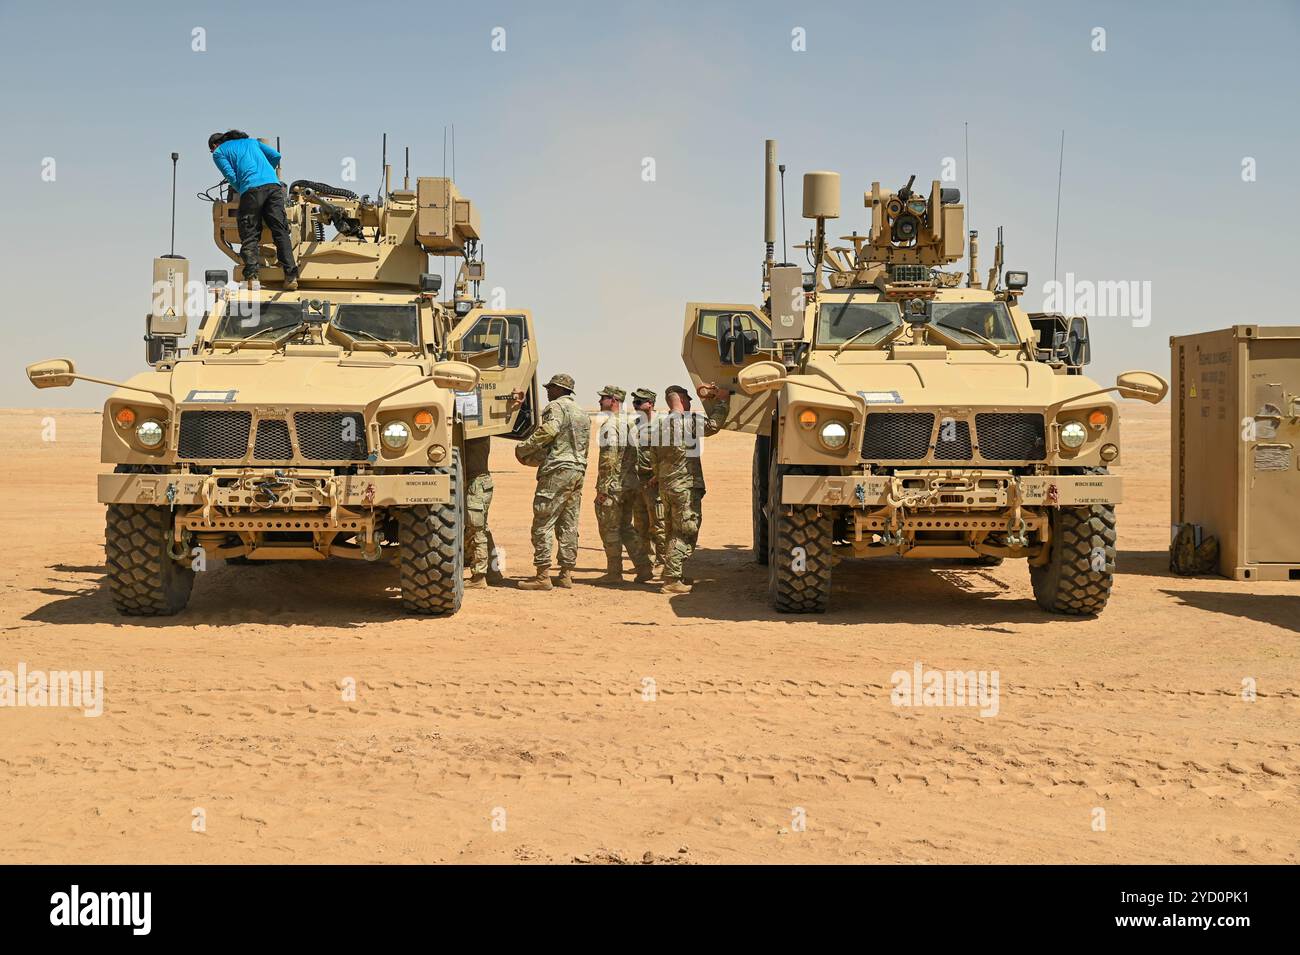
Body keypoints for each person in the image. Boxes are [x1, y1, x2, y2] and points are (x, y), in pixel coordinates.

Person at [652, 382, 730, 594]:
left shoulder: (658, 425)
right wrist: (722, 400)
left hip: (666, 486)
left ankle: (674, 573)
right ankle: (671, 580)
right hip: (685, 485)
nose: (690, 402)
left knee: (671, 530)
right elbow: (713, 425)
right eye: (688, 399)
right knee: (686, 530)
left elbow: (653, 457)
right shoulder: (687, 421)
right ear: (682, 399)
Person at [514, 373, 589, 591]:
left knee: (543, 521)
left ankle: (543, 575)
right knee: (569, 522)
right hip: (577, 469)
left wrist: (524, 448)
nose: (547, 391)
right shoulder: (582, 412)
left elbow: (549, 430)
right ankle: (566, 574)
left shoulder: (556, 407)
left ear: (559, 389)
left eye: (550, 388)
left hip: (557, 470)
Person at [208, 130, 299, 290]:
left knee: (249, 233)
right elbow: (276, 156)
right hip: (273, 187)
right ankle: (291, 277)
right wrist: (266, 172)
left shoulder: (219, 152)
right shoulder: (252, 142)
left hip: (250, 189)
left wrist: (241, 188)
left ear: (215, 145)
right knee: (280, 231)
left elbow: (230, 175)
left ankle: (252, 278)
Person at [593, 386, 654, 585]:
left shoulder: (611, 425)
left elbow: (608, 460)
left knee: (609, 528)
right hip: (631, 484)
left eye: (603, 398)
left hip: (614, 487)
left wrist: (603, 489)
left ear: (613, 400)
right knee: (627, 528)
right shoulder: (630, 423)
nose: (600, 402)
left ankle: (614, 572)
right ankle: (644, 567)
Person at [629, 387, 666, 570]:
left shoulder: (663, 424)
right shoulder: (635, 425)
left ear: (650, 404)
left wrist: (658, 476)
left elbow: (668, 455)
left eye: (639, 402)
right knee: (640, 525)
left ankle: (663, 561)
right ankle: (647, 561)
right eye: (634, 402)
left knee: (659, 524)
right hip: (639, 482)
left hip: (655, 482)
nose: (635, 405)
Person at [463, 436, 506, 589]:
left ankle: (479, 577)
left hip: (476, 482)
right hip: (479, 481)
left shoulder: (474, 429)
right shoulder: (481, 428)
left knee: (476, 530)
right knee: (482, 528)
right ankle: (493, 572)